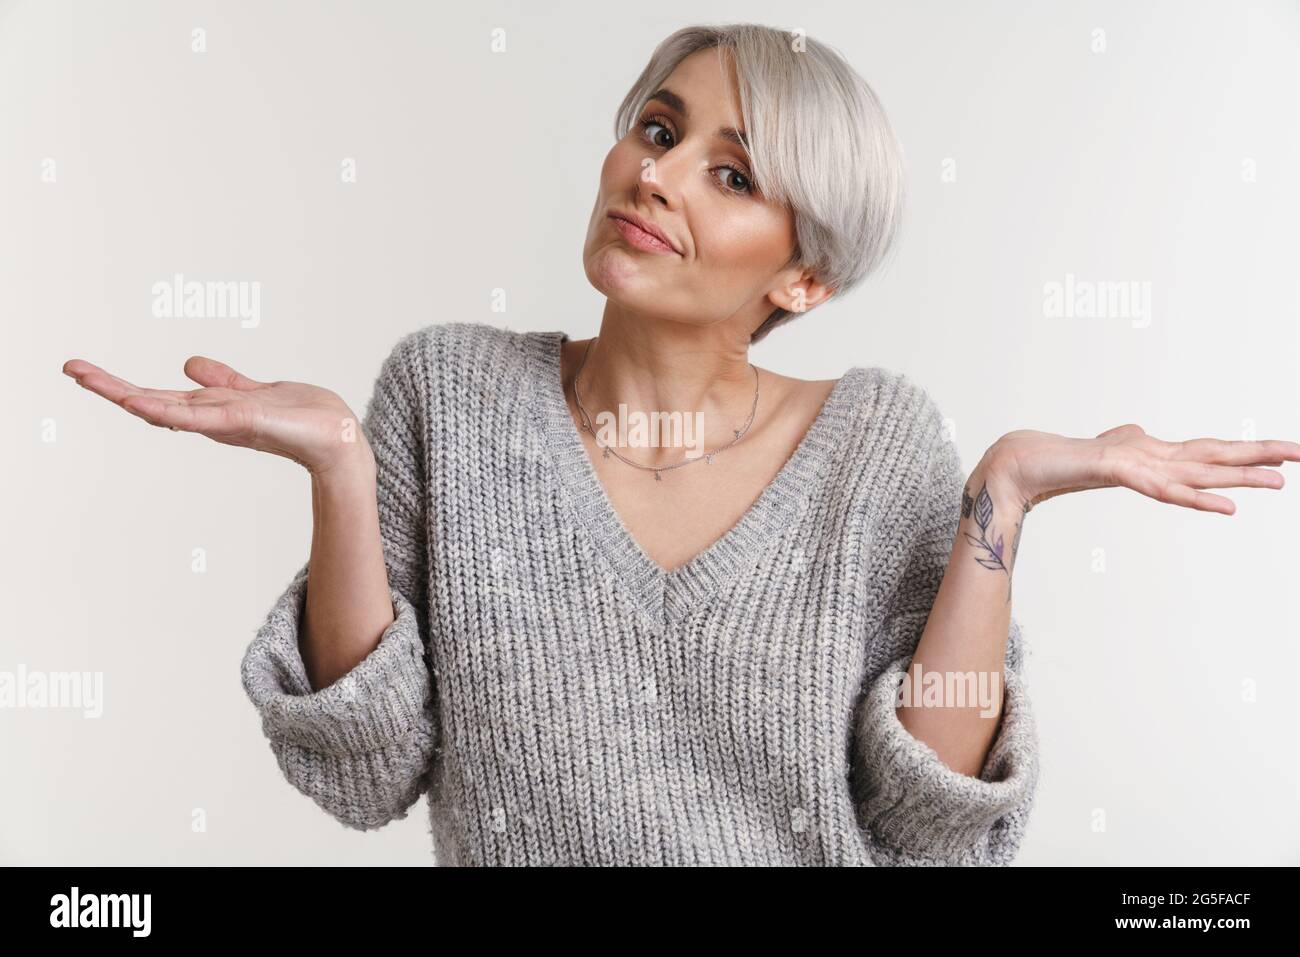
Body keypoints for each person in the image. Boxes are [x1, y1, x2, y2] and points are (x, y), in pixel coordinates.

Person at [62, 23, 1298, 866]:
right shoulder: (446, 393)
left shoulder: (878, 443)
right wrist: (338, 461)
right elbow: (367, 772)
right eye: (659, 131)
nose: (658, 179)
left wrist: (1004, 496)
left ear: (807, 275)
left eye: (731, 174)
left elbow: (927, 832)